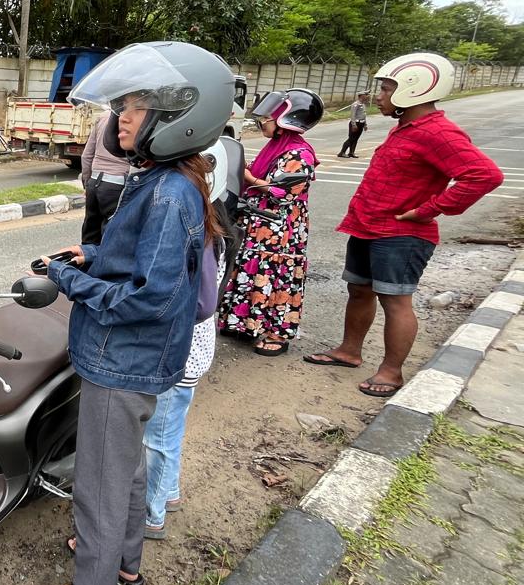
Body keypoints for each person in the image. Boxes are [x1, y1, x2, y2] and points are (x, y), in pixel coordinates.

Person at [22, 41, 232, 585]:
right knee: (130, 467)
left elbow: (148, 297)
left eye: (138, 106)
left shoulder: (168, 193)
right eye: (126, 106)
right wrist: (88, 254)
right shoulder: (171, 181)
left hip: (122, 359)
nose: (124, 117)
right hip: (139, 361)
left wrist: (67, 278)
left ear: (179, 115)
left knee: (100, 483)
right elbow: (136, 259)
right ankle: (126, 562)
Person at [305, 52, 503, 397]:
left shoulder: (438, 132)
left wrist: (430, 209)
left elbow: (485, 175)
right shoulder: (406, 129)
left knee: (395, 301)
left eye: (385, 88)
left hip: (401, 235)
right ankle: (349, 351)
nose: (379, 96)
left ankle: (391, 372)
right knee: (359, 290)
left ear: (412, 89)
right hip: (368, 226)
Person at [142, 139, 230, 539]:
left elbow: (200, 302)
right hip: (189, 348)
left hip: (179, 348)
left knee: (157, 434)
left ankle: (150, 514)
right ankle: (169, 492)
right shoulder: (209, 217)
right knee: (169, 428)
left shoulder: (196, 225)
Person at [216, 88, 322, 356]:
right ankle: (242, 322)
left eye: (268, 117)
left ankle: (276, 332)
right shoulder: (275, 146)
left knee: (274, 277)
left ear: (287, 118)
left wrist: (249, 178)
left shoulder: (299, 154)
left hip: (279, 229)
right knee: (249, 269)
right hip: (258, 223)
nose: (262, 122)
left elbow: (284, 194)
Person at [79, 109, 131, 244]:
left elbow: (86, 156)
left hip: (94, 182)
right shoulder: (131, 119)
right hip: (117, 185)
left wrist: (87, 183)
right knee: (110, 235)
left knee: (90, 230)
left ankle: (86, 262)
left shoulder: (102, 117)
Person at [337, 92, 370, 158]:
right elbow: (353, 115)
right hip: (356, 123)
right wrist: (354, 125)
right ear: (361, 96)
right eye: (365, 95)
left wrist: (365, 124)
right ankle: (342, 152)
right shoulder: (355, 104)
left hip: (361, 123)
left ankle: (351, 152)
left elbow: (364, 115)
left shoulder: (363, 104)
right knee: (351, 138)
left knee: (356, 139)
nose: (367, 96)